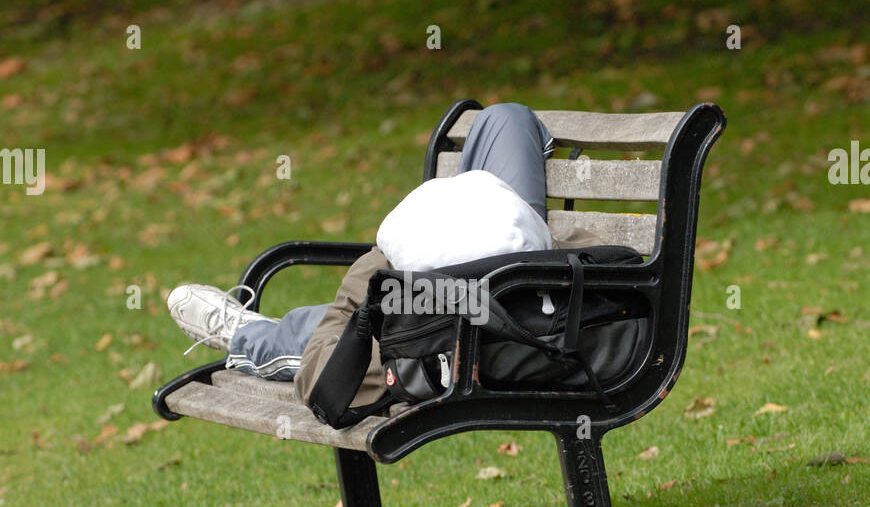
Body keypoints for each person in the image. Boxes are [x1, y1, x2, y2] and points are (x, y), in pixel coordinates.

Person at [167, 102, 602, 417]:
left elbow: (322, 383)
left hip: (443, 350)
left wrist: (374, 265)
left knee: (316, 334)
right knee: (505, 116)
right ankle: (261, 330)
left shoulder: (393, 290)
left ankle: (249, 335)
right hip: (512, 291)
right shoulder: (552, 251)